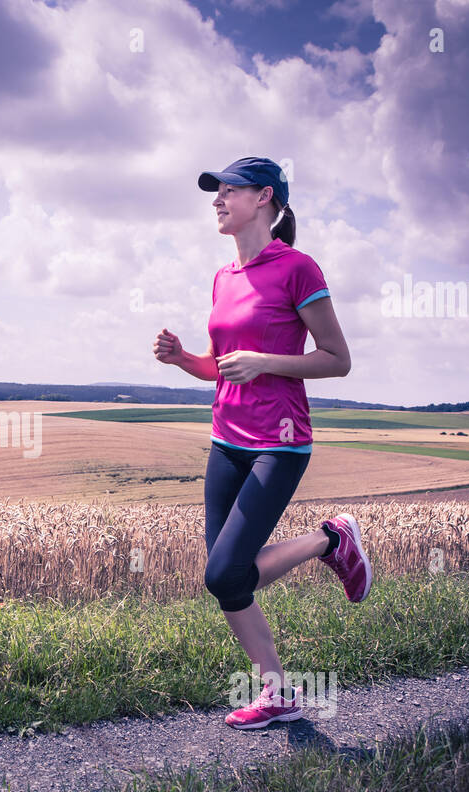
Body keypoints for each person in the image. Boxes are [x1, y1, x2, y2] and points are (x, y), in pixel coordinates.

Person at [153, 156, 371, 730]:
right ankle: (277, 695)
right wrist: (183, 361)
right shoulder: (223, 277)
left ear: (264, 198)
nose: (218, 200)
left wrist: (267, 362)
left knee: (224, 574)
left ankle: (331, 540)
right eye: (216, 192)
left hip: (280, 442)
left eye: (230, 190)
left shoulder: (298, 268)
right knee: (226, 575)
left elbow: (337, 360)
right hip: (226, 440)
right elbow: (221, 368)